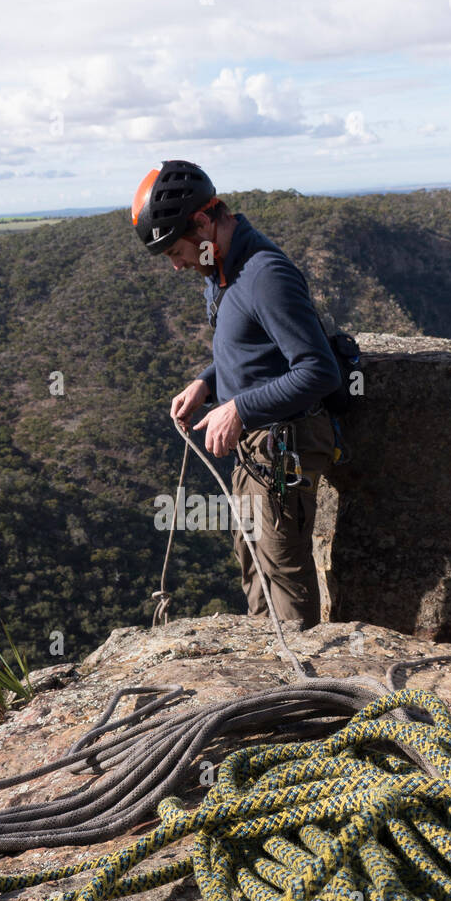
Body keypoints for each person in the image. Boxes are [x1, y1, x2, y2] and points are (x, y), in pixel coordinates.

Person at [131, 159, 342, 629]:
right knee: (253, 563)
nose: (176, 264)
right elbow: (256, 349)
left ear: (203, 222)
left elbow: (318, 369)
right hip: (257, 445)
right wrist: (208, 383)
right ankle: (270, 673)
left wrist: (240, 408)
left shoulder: (263, 274)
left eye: (176, 250)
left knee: (281, 573)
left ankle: (303, 686)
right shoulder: (221, 269)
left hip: (282, 446)